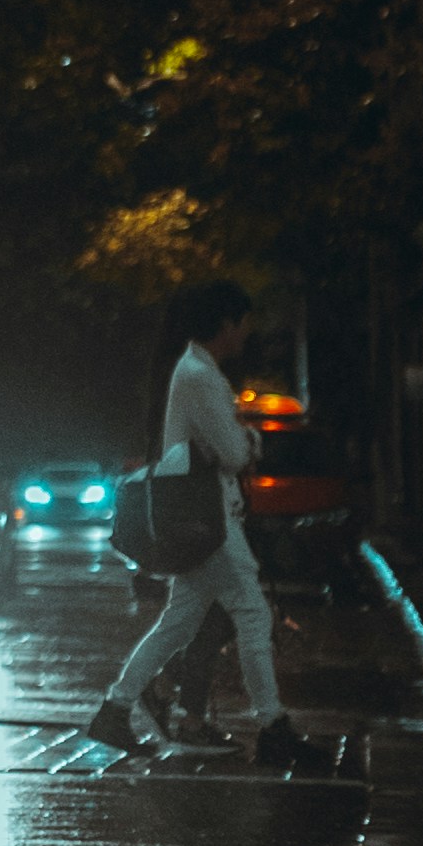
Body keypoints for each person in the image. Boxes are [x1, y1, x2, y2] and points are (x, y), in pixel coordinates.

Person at [87, 279, 322, 771]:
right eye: (244, 321)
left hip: (203, 513)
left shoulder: (194, 370)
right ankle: (272, 725)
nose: (247, 331)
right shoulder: (200, 376)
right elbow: (234, 453)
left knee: (180, 620)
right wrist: (251, 443)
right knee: (253, 613)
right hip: (209, 516)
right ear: (225, 323)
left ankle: (116, 707)